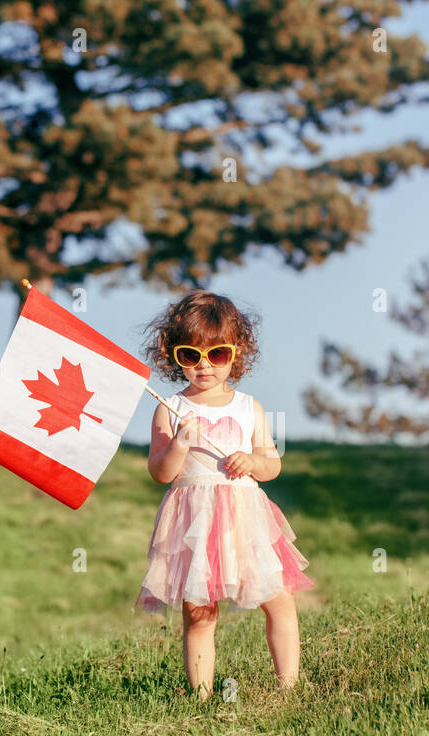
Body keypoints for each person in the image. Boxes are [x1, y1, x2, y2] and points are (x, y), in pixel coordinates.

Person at [135, 291, 315, 700]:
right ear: (173, 354)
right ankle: (201, 696)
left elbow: (272, 464)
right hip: (194, 519)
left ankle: (288, 688)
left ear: (236, 353)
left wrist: (252, 462)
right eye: (190, 355)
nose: (203, 366)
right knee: (200, 614)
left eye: (216, 355)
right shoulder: (171, 408)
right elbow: (160, 473)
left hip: (245, 518)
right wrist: (180, 442)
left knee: (279, 601)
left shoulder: (249, 408)